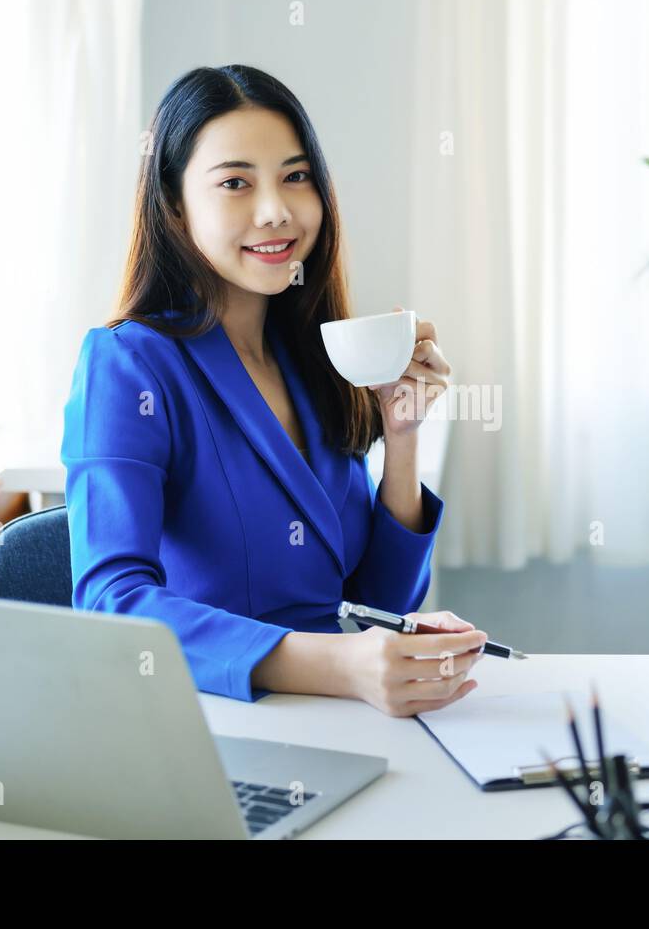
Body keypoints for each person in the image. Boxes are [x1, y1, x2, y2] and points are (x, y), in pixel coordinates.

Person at [61, 65, 484, 717]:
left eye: (295, 176)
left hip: (335, 722)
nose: (276, 210)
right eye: (235, 182)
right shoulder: (129, 365)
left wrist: (401, 440)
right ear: (174, 206)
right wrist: (341, 664)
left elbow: (379, 604)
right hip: (205, 724)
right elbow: (111, 604)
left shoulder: (313, 358)